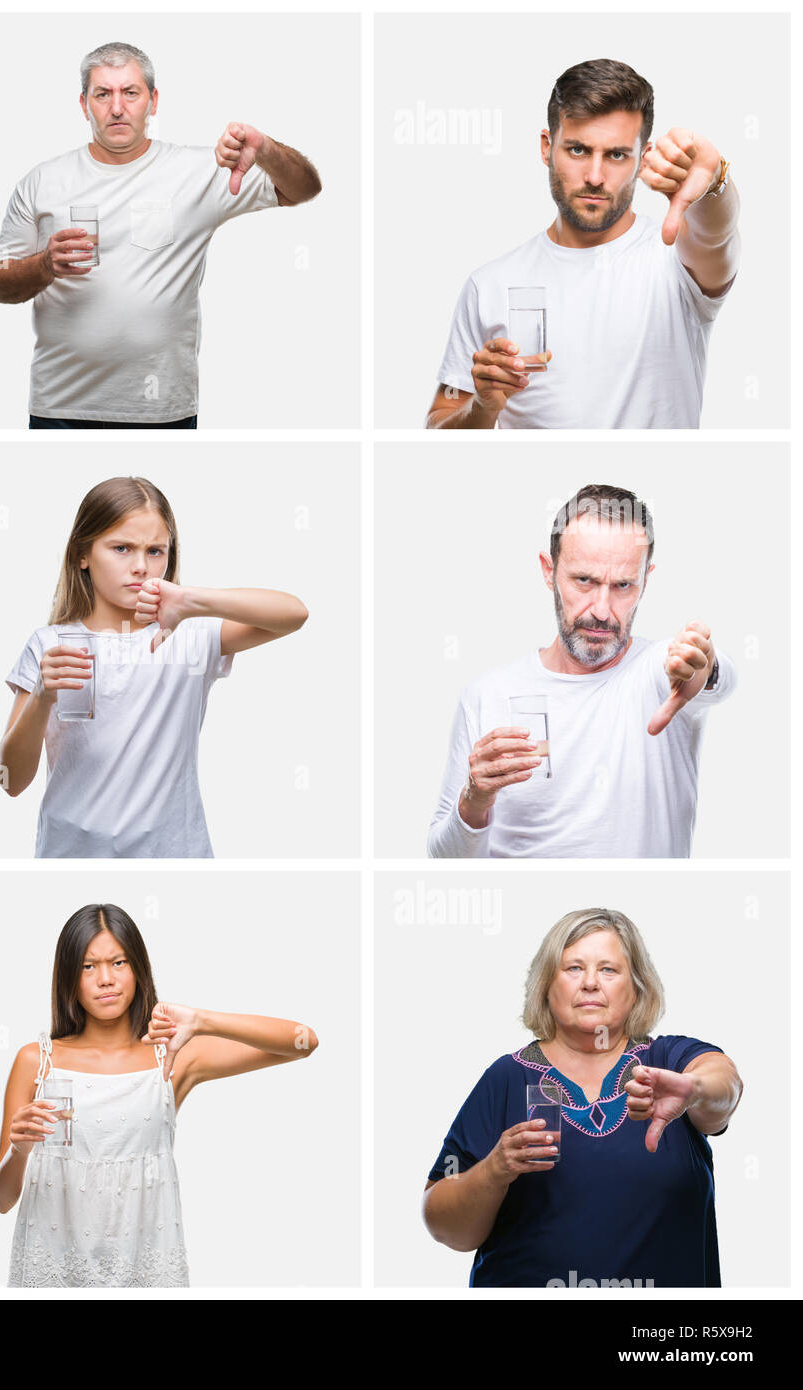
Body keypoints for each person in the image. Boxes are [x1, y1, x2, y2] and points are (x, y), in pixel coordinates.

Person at [0, 41, 321, 427]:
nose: (116, 107)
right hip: (60, 408)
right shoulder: (42, 181)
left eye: (130, 93)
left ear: (153, 101)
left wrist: (265, 149)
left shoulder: (198, 171)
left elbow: (304, 189)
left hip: (161, 408)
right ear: (83, 105)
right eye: (102, 94)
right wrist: (44, 265)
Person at [0, 903, 318, 1286]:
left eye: (120, 962)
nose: (106, 979)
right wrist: (20, 1150)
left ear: (138, 969)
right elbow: (0, 1200)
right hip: (53, 1275)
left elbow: (302, 1042)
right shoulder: (37, 1061)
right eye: (87, 966)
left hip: (145, 1275)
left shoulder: (171, 1056)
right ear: (67, 976)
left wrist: (203, 1020)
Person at [423, 908, 742, 1287]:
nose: (590, 982)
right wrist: (494, 1171)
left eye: (608, 969)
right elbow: (447, 1230)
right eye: (573, 968)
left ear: (638, 986)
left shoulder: (671, 1060)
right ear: (546, 985)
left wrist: (694, 1089)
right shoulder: (507, 1078)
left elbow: (725, 1084)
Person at [0, 475, 308, 857]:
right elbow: (11, 781)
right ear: (83, 554)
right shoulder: (48, 645)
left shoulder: (189, 636)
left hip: (172, 854)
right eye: (122, 548)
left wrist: (191, 600)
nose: (141, 566)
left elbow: (294, 614)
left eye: (156, 551)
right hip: (72, 855)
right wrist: (43, 698)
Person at [426, 58, 738, 429]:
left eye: (617, 155)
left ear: (642, 158)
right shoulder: (489, 284)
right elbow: (439, 425)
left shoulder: (674, 261)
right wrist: (482, 406)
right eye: (577, 150)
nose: (594, 176)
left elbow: (715, 236)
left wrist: (716, 181)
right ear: (547, 147)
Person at [427, 483, 734, 858]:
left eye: (623, 585)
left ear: (645, 579)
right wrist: (474, 801)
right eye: (584, 581)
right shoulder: (487, 694)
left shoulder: (658, 673)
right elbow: (444, 860)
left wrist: (702, 667)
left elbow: (713, 676)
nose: (602, 611)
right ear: (548, 570)